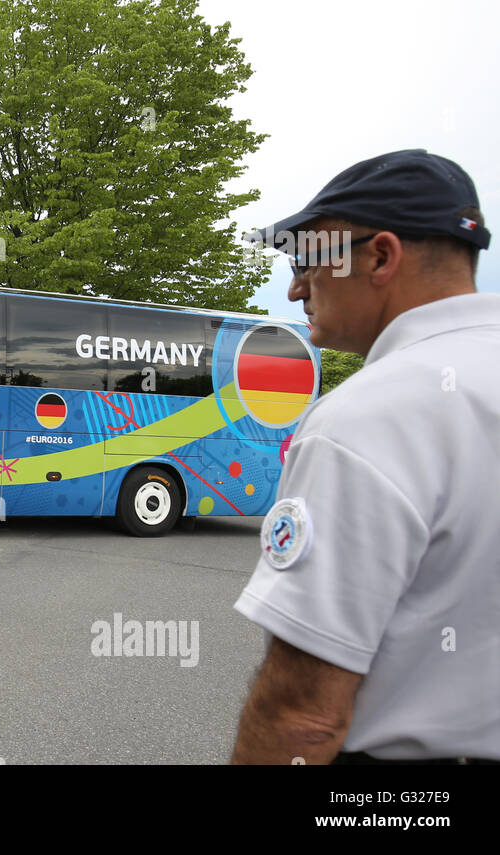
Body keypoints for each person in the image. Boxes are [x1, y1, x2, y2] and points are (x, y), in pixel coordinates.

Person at [230, 149, 498, 764]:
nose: (297, 285)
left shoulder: (369, 416)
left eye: (309, 260)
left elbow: (301, 715)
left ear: (380, 256)